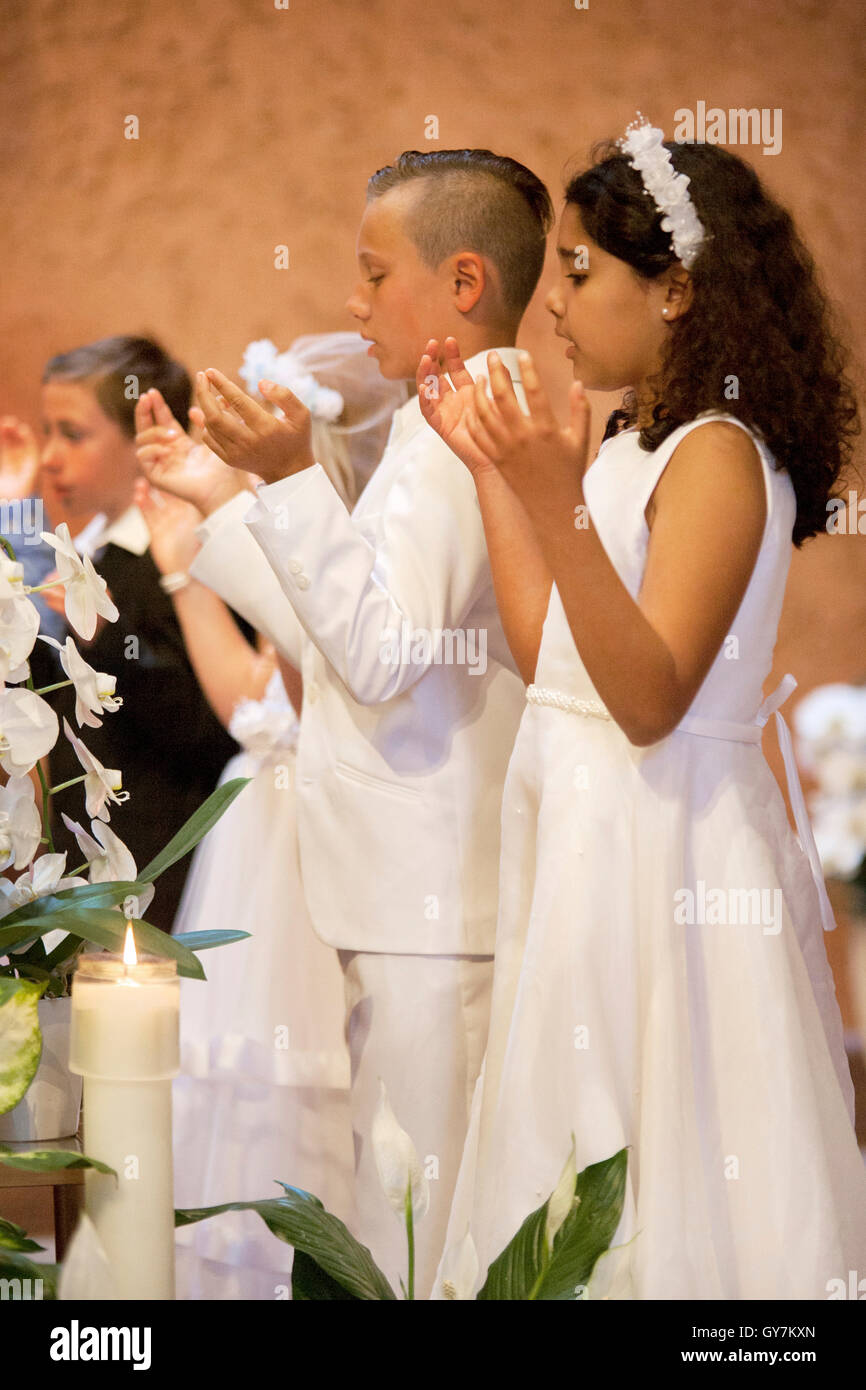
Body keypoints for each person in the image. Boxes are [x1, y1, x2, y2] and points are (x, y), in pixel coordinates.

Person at [418, 119, 866, 1299]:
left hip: (662, 843)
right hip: (584, 829)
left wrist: (555, 497)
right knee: (565, 1128)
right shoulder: (627, 446)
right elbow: (551, 655)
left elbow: (650, 695)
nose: (551, 301)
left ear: (674, 290)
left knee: (664, 1148)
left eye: (576, 268)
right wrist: (499, 475)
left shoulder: (717, 453)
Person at [136, 150, 553, 1295]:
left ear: (463, 281)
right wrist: (228, 495)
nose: (351, 302)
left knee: (417, 1227)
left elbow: (373, 655)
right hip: (406, 887)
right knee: (393, 1208)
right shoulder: (438, 419)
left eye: (374, 274)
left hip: (435, 897)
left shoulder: (472, 422)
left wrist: (281, 481)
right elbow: (348, 628)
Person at [134, 333, 405, 1297]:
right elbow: (259, 703)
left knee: (310, 1092)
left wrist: (221, 521)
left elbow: (291, 692)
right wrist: (181, 561)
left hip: (309, 845)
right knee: (244, 1088)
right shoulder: (313, 562)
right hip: (261, 831)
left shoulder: (354, 569)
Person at [31, 336, 241, 932]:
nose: (50, 456)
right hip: (86, 868)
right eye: (47, 432)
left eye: (72, 434)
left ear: (144, 439)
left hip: (166, 873)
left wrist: (101, 642)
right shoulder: (93, 556)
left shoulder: (188, 560)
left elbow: (209, 728)